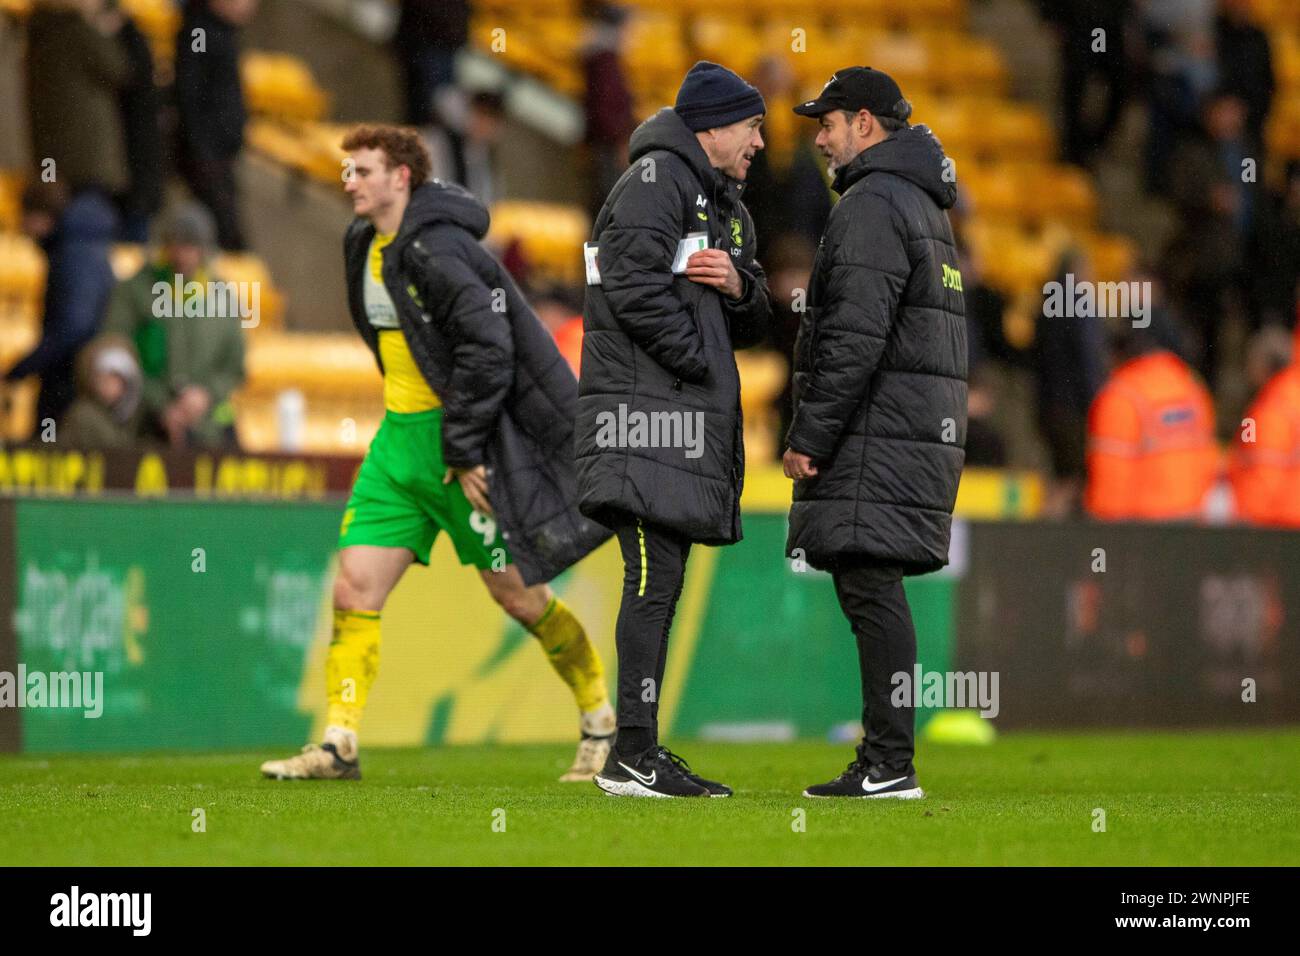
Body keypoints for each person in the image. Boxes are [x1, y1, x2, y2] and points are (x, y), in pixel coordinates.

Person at [260, 126, 614, 782]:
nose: (349, 182)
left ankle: (600, 720)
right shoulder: (361, 242)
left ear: (402, 178)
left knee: (519, 597)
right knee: (353, 587)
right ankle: (338, 742)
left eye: (363, 171)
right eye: (347, 171)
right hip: (399, 447)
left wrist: (463, 446)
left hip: (462, 455)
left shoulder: (440, 249)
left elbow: (490, 349)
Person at [578, 61, 772, 797]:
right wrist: (700, 365)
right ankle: (633, 754)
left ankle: (638, 749)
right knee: (653, 583)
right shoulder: (656, 181)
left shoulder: (727, 207)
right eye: (752, 127)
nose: (759, 143)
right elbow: (629, 284)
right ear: (714, 125)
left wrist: (740, 286)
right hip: (645, 420)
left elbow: (753, 326)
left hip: (678, 426)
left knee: (657, 584)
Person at [784, 67, 966, 800]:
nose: (820, 139)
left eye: (826, 123)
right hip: (907, 430)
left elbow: (853, 339)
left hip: (876, 433)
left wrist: (811, 436)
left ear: (864, 123)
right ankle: (886, 758)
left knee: (870, 587)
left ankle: (889, 763)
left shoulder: (873, 203)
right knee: (872, 585)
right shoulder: (922, 204)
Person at [102, 203, 245, 449]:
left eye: (190, 247)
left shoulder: (222, 296)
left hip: (208, 425)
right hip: (144, 423)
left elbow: (233, 367)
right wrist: (161, 405)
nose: (182, 256)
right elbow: (116, 356)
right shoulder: (136, 291)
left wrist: (205, 396)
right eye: (176, 245)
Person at [4, 182, 119, 435]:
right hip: (77, 375)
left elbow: (73, 326)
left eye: (27, 217)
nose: (24, 228)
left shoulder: (73, 254)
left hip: (71, 380)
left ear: (41, 216)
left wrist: (21, 369)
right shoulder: (83, 243)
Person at [1084, 317, 1217, 520]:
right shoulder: (1190, 386)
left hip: (1143, 530)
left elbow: (1111, 480)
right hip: (1193, 521)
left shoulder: (1121, 397)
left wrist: (1103, 534)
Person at [174, 0, 256, 250]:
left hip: (219, 156)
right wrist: (202, 150)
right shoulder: (199, 32)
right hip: (207, 159)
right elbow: (189, 89)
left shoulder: (223, 34)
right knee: (223, 237)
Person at [1229, 327, 1299, 527]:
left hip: (1279, 528)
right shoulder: (1292, 396)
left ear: (1263, 365)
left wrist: (1250, 531)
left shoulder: (1271, 411)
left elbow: (1262, 474)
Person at [58, 333, 144, 449]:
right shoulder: (82, 415)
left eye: (116, 378)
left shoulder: (136, 415)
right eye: (104, 378)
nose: (109, 384)